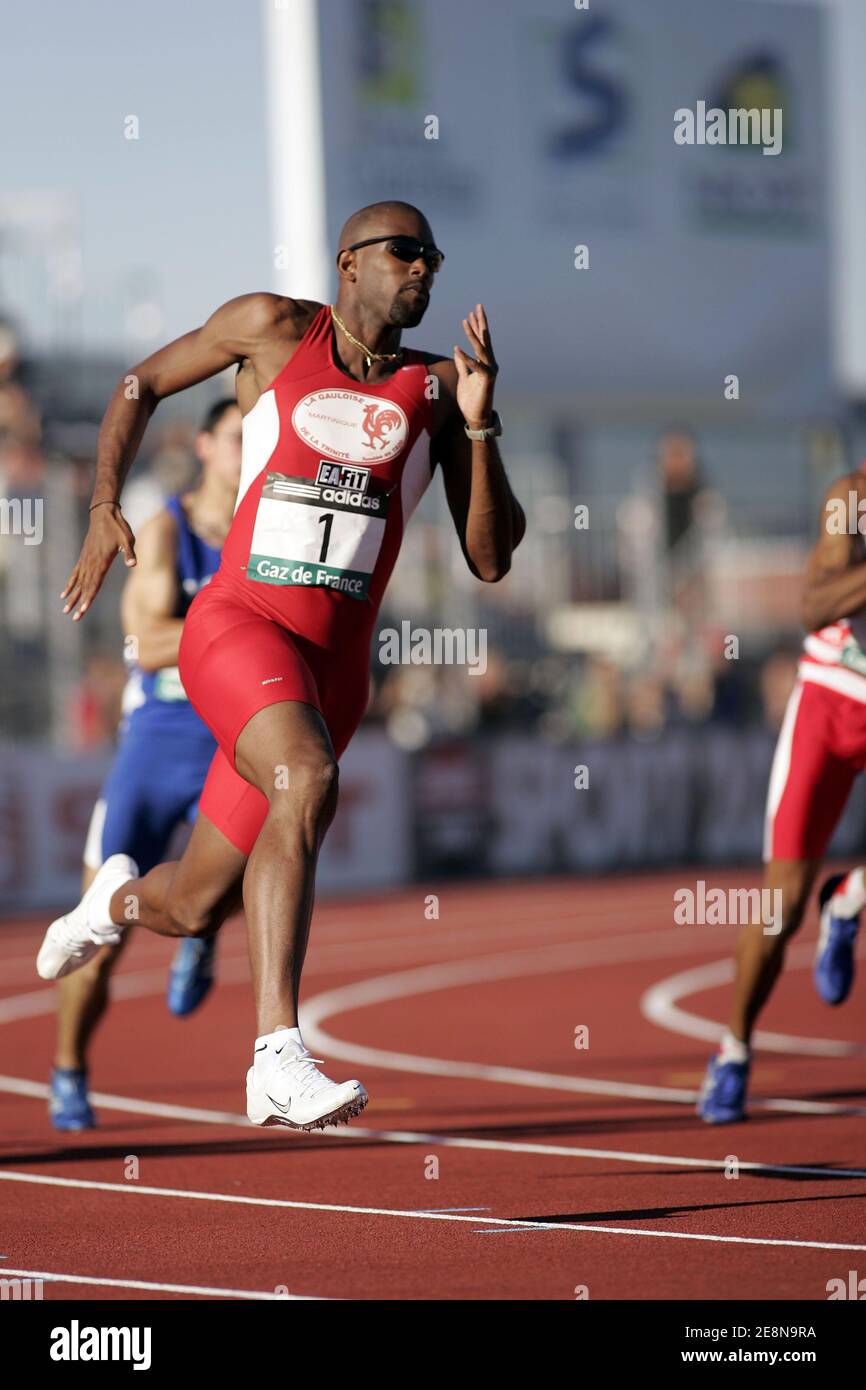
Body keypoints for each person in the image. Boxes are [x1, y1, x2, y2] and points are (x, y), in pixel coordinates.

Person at [37, 201, 525, 1132]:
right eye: (405, 251)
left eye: (433, 256)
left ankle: (114, 898)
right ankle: (275, 1055)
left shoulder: (436, 390)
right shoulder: (274, 328)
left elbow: (492, 559)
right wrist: (105, 504)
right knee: (306, 777)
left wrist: (481, 423)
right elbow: (141, 383)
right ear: (351, 262)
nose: (425, 268)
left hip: (332, 672)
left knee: (189, 904)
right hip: (241, 625)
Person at [50, 399, 241, 1130]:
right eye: (235, 438)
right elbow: (144, 642)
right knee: (98, 936)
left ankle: (199, 936)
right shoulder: (167, 530)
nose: (247, 450)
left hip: (231, 739)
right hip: (156, 746)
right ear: (203, 446)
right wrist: (236, 626)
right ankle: (68, 1066)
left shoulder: (263, 535)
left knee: (259, 860)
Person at [698, 466, 866, 1123]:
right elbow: (816, 605)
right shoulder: (849, 500)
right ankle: (735, 1049)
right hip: (830, 703)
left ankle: (848, 898)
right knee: (779, 908)